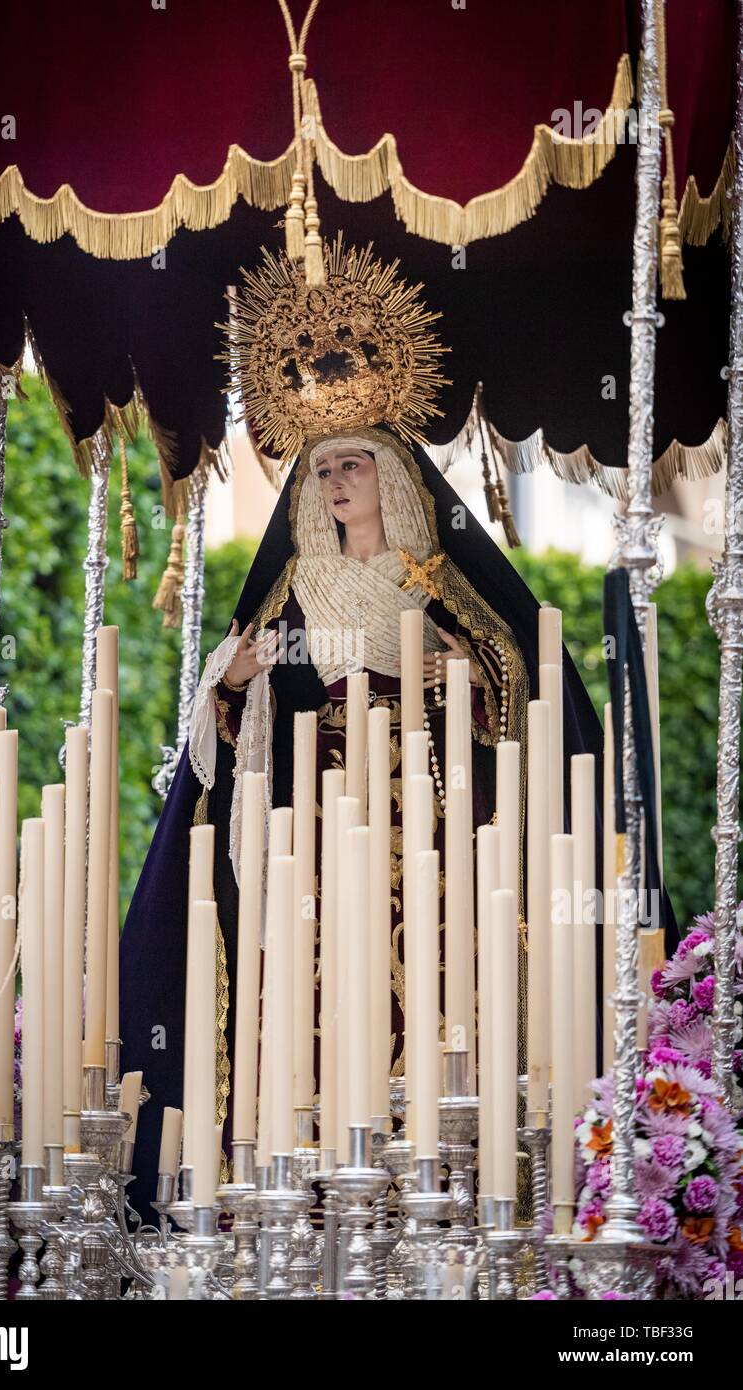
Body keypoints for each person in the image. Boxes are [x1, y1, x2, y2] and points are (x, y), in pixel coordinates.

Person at [119, 243, 607, 1222]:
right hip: (311, 828)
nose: (339, 480)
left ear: (392, 476)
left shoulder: (437, 584)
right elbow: (227, 708)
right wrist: (239, 678)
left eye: (355, 464)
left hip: (433, 828)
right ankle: (296, 1182)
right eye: (324, 468)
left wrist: (461, 674)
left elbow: (522, 682)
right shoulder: (293, 591)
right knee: (304, 994)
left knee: (441, 986)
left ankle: (447, 1184)